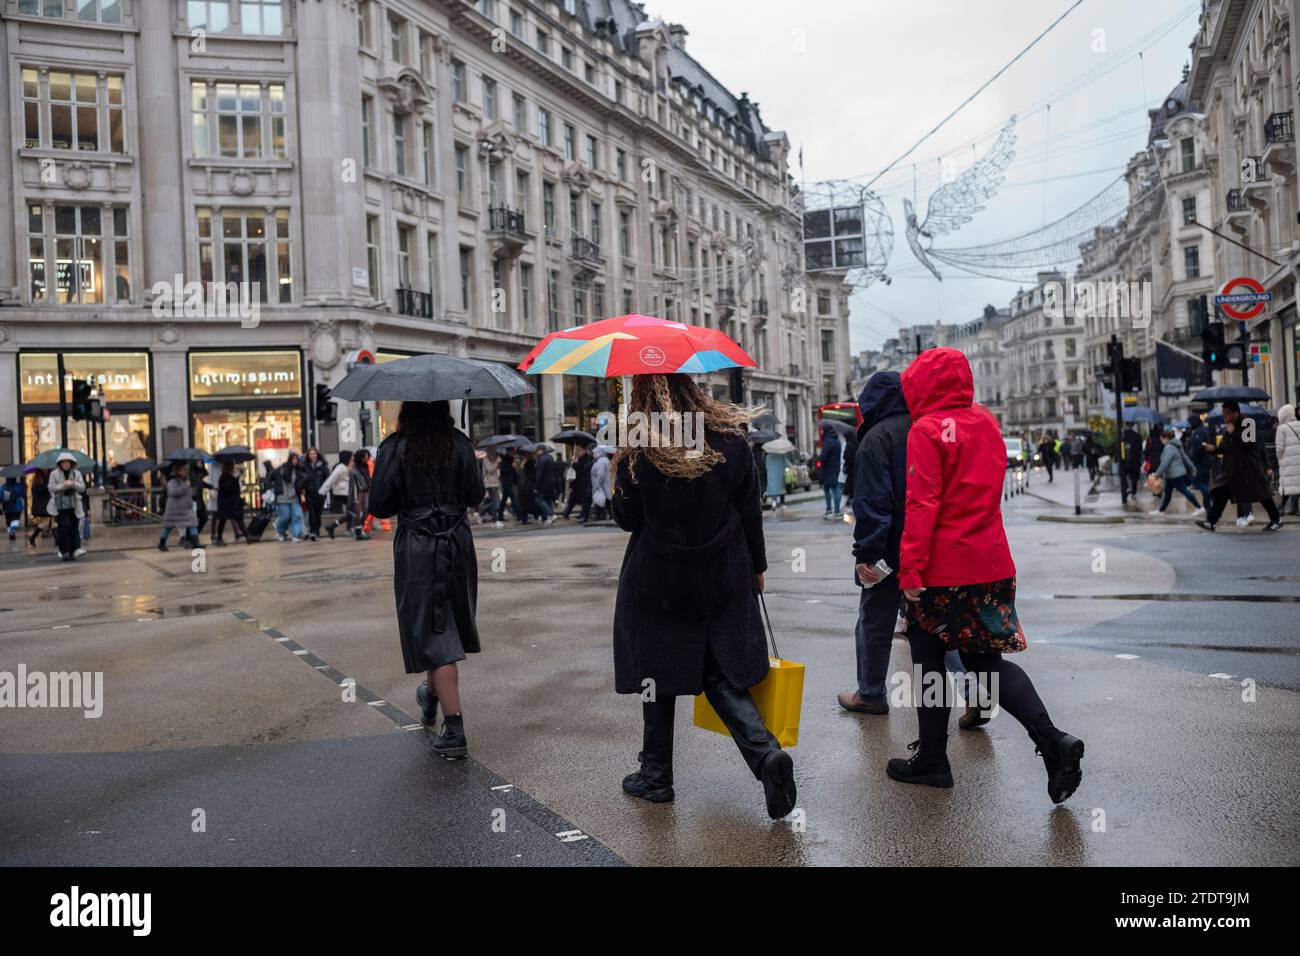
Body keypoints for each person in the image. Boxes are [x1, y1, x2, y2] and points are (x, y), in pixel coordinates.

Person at [890, 348, 1084, 804]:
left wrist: (911, 566)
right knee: (985, 662)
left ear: (920, 386)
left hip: (942, 569)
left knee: (928, 657)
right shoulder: (986, 423)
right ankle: (1051, 739)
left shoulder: (926, 429)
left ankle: (934, 760)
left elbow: (923, 504)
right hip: (991, 564)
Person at [612, 373, 796, 819]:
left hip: (661, 576)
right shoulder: (730, 437)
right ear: (693, 388)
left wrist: (622, 467)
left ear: (645, 393)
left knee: (657, 673)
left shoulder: (641, 438)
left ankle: (656, 776)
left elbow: (627, 516)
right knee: (719, 674)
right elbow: (750, 510)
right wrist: (757, 567)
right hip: (724, 568)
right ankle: (765, 753)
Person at [369, 401, 484, 757]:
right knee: (444, 625)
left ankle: (454, 730)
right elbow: (476, 496)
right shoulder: (460, 444)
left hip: (418, 546)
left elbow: (380, 505)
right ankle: (430, 693)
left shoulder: (394, 446)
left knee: (436, 634)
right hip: (456, 542)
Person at [840, 371, 909, 716]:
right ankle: (973, 690)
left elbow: (872, 503)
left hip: (888, 550)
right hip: (924, 547)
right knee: (940, 623)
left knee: (873, 621)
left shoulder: (876, 438)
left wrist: (867, 553)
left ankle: (870, 692)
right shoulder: (923, 429)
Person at [1197, 400, 1283, 532]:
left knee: (1263, 494)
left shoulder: (1247, 424)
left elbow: (1248, 445)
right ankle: (1211, 521)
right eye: (1223, 414)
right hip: (1232, 470)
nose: (1224, 417)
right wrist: (1214, 449)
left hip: (1249, 468)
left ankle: (1276, 519)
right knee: (1221, 492)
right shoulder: (1229, 428)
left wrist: (1234, 433)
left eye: (1227, 414)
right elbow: (1225, 447)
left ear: (1236, 413)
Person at [47, 453, 87, 561]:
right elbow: (51, 488)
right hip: (60, 506)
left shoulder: (76, 473)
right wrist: (63, 485)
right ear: (60, 463)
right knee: (65, 526)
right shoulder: (54, 474)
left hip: (74, 505)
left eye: (68, 462)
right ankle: (64, 550)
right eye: (64, 462)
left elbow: (82, 488)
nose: (66, 464)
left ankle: (73, 550)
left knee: (74, 527)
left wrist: (73, 484)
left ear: (72, 463)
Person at [1151, 430, 1201, 514]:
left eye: (1161, 439)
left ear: (1166, 438)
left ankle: (1199, 507)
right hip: (1171, 475)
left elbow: (1165, 463)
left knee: (1184, 491)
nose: (1161, 441)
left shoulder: (1169, 447)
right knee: (1167, 494)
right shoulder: (1176, 445)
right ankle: (1161, 510)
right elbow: (1185, 458)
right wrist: (1193, 468)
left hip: (1175, 475)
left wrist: (1157, 474)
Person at [159, 460, 198, 551]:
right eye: (183, 470)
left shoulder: (184, 481)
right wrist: (186, 486)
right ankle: (161, 543)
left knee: (192, 523)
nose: (185, 472)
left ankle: (196, 543)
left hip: (185, 508)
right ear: (178, 471)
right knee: (168, 526)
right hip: (174, 509)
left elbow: (187, 493)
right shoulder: (172, 481)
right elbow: (174, 492)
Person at [271, 451, 306, 542]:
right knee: (286, 517)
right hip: (283, 498)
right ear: (290, 459)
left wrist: (301, 493)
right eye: (293, 459)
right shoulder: (282, 469)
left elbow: (300, 483)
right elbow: (271, 476)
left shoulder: (299, 470)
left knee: (297, 515)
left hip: (294, 497)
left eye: (296, 459)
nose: (295, 461)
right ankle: (279, 530)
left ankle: (296, 535)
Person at [1184, 413, 1214, 512]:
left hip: (1200, 462)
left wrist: (1192, 458)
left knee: (1196, 482)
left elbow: (1198, 447)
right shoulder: (1202, 430)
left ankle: (1211, 499)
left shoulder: (1198, 432)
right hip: (1205, 461)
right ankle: (1208, 506)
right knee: (1203, 483)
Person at [320, 450, 353, 539]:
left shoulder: (346, 467)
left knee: (351, 512)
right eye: (351, 457)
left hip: (346, 493)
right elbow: (331, 479)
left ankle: (333, 526)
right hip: (342, 493)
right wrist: (322, 491)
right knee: (353, 512)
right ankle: (347, 529)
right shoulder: (341, 467)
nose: (352, 458)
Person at [212, 460, 247, 545]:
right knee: (223, 520)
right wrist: (235, 479)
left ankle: (247, 536)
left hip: (231, 502)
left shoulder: (230, 477)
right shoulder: (224, 477)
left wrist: (236, 479)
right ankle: (219, 538)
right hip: (226, 503)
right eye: (232, 466)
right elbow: (227, 488)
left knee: (238, 519)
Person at [301, 448, 330, 541]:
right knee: (311, 513)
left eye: (314, 454)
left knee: (318, 513)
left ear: (317, 455)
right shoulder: (305, 467)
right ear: (308, 456)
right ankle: (314, 531)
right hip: (309, 494)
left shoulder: (323, 466)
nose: (313, 456)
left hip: (320, 494)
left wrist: (325, 491)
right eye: (311, 454)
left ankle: (316, 529)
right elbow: (302, 479)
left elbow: (328, 479)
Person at [1277, 403, 1299, 516]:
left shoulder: (1281, 429)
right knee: (1298, 485)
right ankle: (1295, 508)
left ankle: (1281, 508)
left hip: (1288, 462)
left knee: (1287, 486)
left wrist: (1279, 458)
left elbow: (1279, 448)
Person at [562, 444, 593, 522]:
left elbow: (579, 468)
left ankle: (583, 515)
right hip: (578, 484)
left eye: (579, 451)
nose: (578, 452)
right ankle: (581, 514)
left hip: (582, 484)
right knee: (577, 500)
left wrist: (574, 463)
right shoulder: (581, 458)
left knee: (582, 500)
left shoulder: (585, 459)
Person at [819, 423, 842, 519]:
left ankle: (835, 511)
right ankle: (833, 510)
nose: (821, 432)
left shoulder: (828, 441)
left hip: (828, 469)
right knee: (831, 488)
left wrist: (820, 459)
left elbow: (824, 456)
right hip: (835, 467)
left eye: (822, 430)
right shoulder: (836, 441)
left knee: (832, 489)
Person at [348, 449, 372, 540]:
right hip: (357, 492)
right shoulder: (354, 468)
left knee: (366, 510)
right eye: (365, 456)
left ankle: (360, 529)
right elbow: (354, 482)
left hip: (366, 491)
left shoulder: (365, 466)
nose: (367, 458)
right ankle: (358, 532)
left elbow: (367, 477)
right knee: (357, 512)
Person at [27, 468, 51, 547]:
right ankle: (32, 537)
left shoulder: (39, 479)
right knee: (45, 522)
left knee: (52, 522)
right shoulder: (40, 480)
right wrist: (48, 487)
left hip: (44, 504)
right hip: (43, 505)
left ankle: (58, 540)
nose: (46, 471)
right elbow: (40, 491)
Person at [1119, 422, 1142, 501]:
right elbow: (1140, 449)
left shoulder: (1122, 436)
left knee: (1122, 474)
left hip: (1124, 460)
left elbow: (1118, 448)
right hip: (1135, 460)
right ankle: (1134, 493)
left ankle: (1127, 488)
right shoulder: (1137, 436)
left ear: (1125, 425)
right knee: (1134, 478)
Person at [481, 446, 503, 527]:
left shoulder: (493, 459)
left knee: (496, 502)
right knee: (495, 502)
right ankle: (495, 520)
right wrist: (497, 462)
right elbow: (490, 469)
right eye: (493, 449)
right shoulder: (485, 459)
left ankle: (483, 513)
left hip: (495, 483)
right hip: (489, 483)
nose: (495, 451)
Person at [589, 446, 611, 521]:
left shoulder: (601, 461)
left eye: (594, 453)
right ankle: (604, 515)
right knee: (605, 500)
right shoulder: (604, 460)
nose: (593, 455)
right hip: (605, 485)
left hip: (602, 486)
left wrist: (597, 485)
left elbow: (600, 474)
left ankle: (600, 516)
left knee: (601, 500)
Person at [764, 445, 787, 509]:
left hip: (771, 476)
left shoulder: (768, 457)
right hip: (780, 475)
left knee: (773, 489)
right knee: (781, 488)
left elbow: (766, 466)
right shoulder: (781, 455)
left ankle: (774, 502)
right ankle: (782, 504)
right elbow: (786, 465)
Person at [3, 475, 25, 540]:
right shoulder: (19, 486)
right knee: (15, 520)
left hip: (6, 507)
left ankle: (10, 532)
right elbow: (23, 494)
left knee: (8, 521)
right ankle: (13, 531)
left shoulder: (3, 487)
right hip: (17, 506)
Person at [497, 450, 516, 524]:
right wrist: (511, 466)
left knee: (504, 500)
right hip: (506, 482)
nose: (513, 453)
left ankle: (500, 515)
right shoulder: (505, 460)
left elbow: (513, 472)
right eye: (512, 451)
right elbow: (503, 470)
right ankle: (520, 516)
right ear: (508, 451)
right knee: (513, 498)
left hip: (509, 481)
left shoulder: (511, 459)